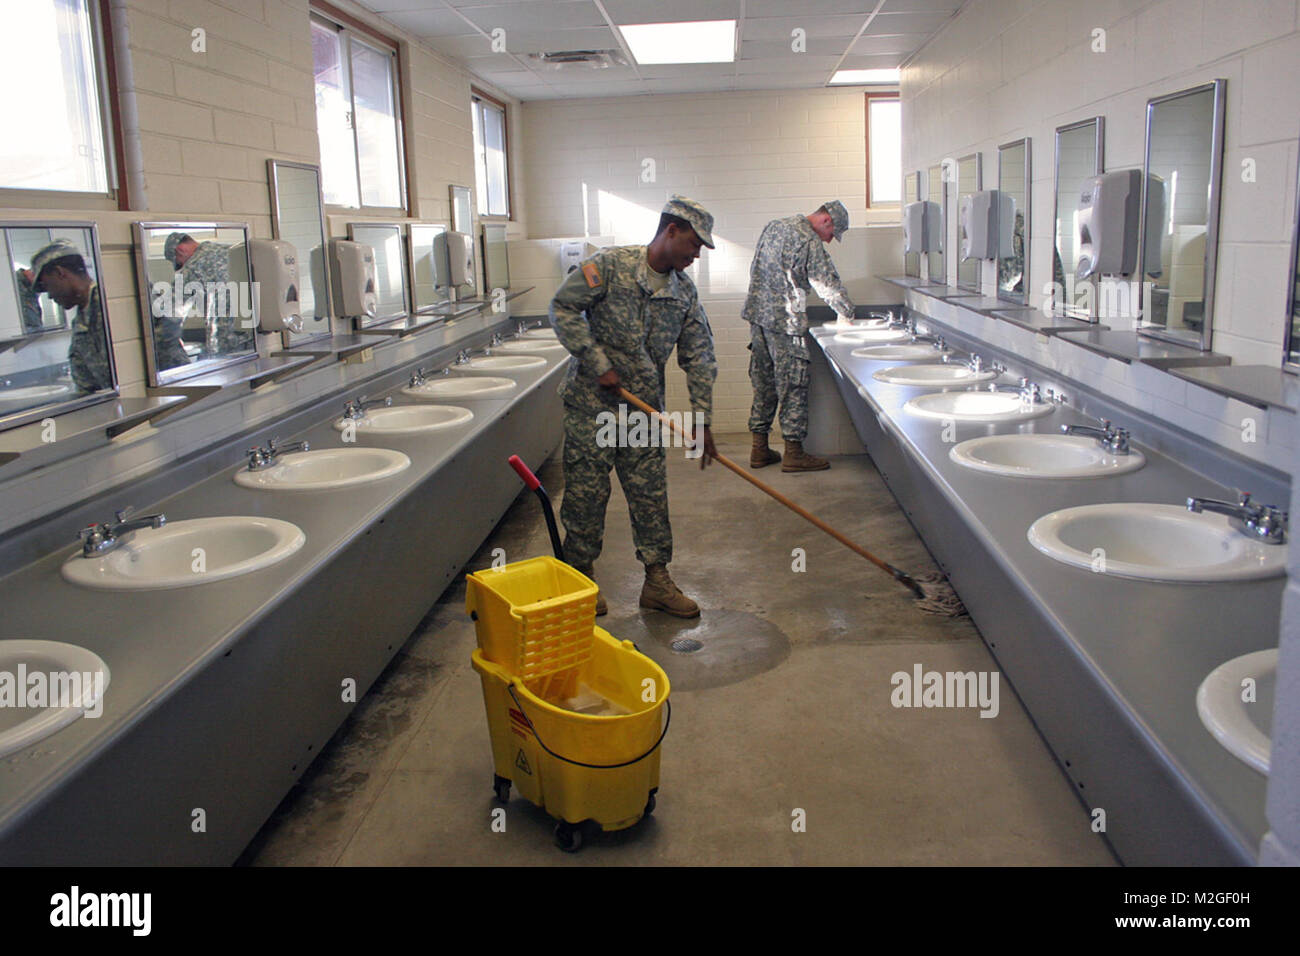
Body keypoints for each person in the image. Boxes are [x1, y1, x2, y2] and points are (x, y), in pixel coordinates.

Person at [549, 195, 718, 619]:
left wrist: (701, 419)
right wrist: (596, 361)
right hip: (593, 407)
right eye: (695, 245)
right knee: (587, 496)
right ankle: (581, 579)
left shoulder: (684, 292)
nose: (697, 255)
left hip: (643, 413)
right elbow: (563, 307)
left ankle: (657, 582)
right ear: (671, 231)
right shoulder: (608, 267)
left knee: (649, 497)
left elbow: (698, 354)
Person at [742, 200, 856, 472]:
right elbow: (825, 280)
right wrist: (847, 313)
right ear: (826, 221)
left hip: (758, 317)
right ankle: (793, 453)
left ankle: (759, 449)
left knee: (764, 382)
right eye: (832, 234)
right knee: (793, 384)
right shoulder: (808, 240)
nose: (829, 241)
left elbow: (755, 269)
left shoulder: (774, 226)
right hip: (785, 321)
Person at [28, 240, 113, 392]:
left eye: (47, 286)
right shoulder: (81, 322)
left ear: (60, 273)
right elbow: (86, 384)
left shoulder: (112, 302)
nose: (50, 296)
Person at [163, 231, 254, 356]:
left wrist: (171, 341)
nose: (182, 266)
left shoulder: (193, 266)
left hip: (227, 342)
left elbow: (171, 311)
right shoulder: (232, 251)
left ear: (180, 250)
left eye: (179, 262)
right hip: (254, 338)